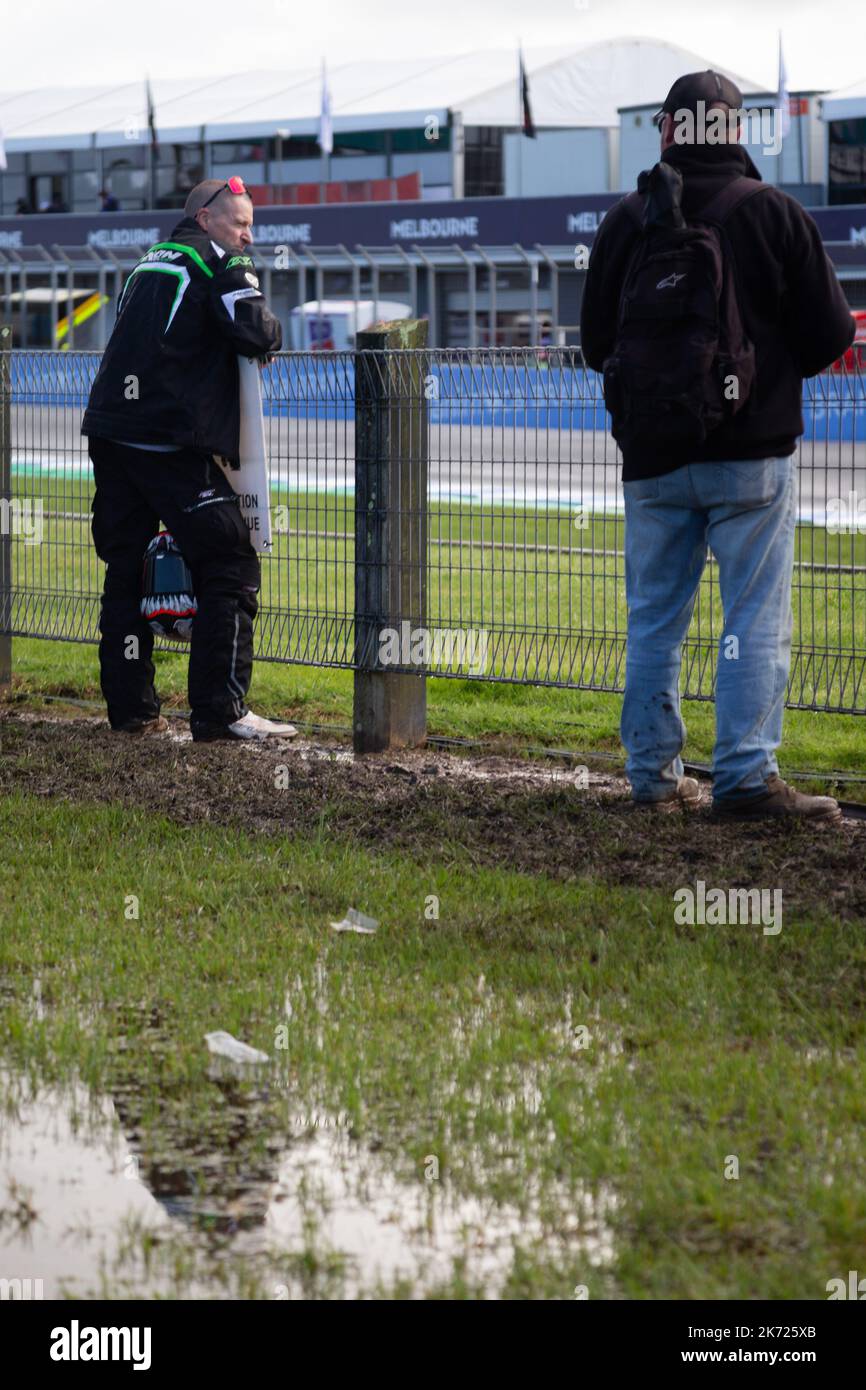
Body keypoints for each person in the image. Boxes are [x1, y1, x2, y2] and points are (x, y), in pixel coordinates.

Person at [580, 70, 855, 822]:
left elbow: (593, 343)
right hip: (753, 456)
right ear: (735, 131)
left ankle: (652, 778)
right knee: (755, 618)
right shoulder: (774, 212)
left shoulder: (625, 220)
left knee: (653, 622)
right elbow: (834, 334)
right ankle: (743, 778)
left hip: (653, 460)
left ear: (667, 131)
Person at [82, 176, 297, 742]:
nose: (248, 236)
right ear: (205, 218)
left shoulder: (147, 262)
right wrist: (266, 336)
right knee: (231, 557)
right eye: (239, 222)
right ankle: (220, 712)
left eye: (250, 225)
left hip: (110, 431)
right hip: (165, 438)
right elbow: (255, 330)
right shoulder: (217, 261)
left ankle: (131, 713)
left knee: (124, 569)